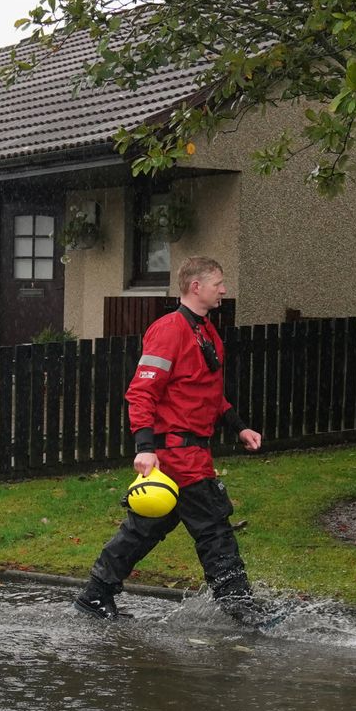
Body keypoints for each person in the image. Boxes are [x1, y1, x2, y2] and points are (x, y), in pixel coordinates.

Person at [74, 256, 270, 624]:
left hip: (191, 451)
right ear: (196, 286)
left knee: (143, 530)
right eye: (218, 283)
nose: (224, 290)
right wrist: (145, 448)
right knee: (213, 527)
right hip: (178, 455)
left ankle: (96, 594)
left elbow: (208, 393)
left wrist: (239, 427)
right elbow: (141, 392)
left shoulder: (206, 332)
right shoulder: (169, 330)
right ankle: (240, 605)